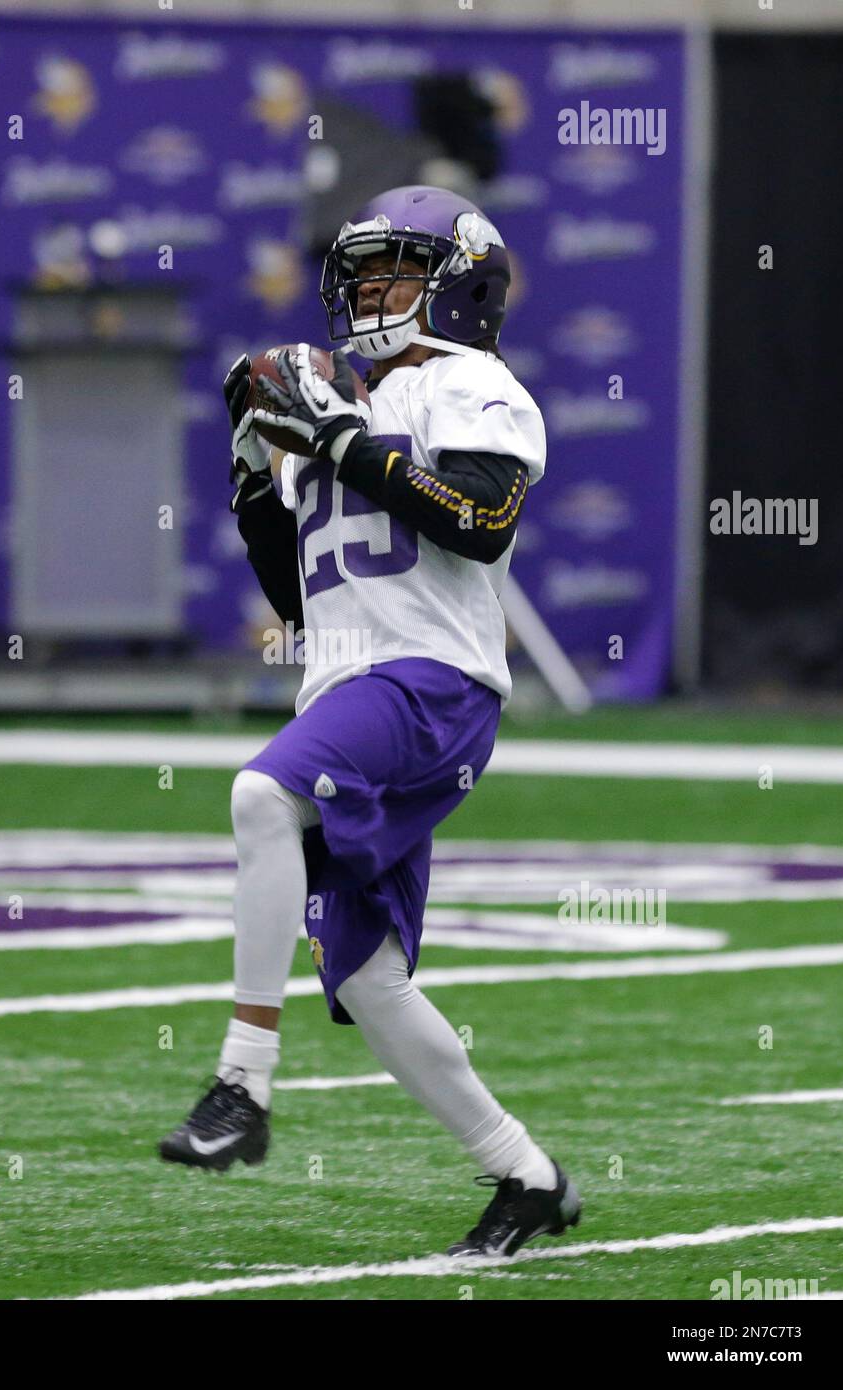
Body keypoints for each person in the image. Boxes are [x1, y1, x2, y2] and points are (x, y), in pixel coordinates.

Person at [158, 185, 581, 1258]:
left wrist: (338, 435)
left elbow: (481, 521)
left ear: (458, 282)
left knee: (261, 796)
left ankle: (241, 1086)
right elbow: (303, 597)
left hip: (430, 683)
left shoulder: (472, 383)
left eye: (391, 269)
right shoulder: (347, 406)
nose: (364, 291)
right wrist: (256, 468)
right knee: (368, 978)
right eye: (360, 272)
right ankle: (525, 1174)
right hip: (354, 687)